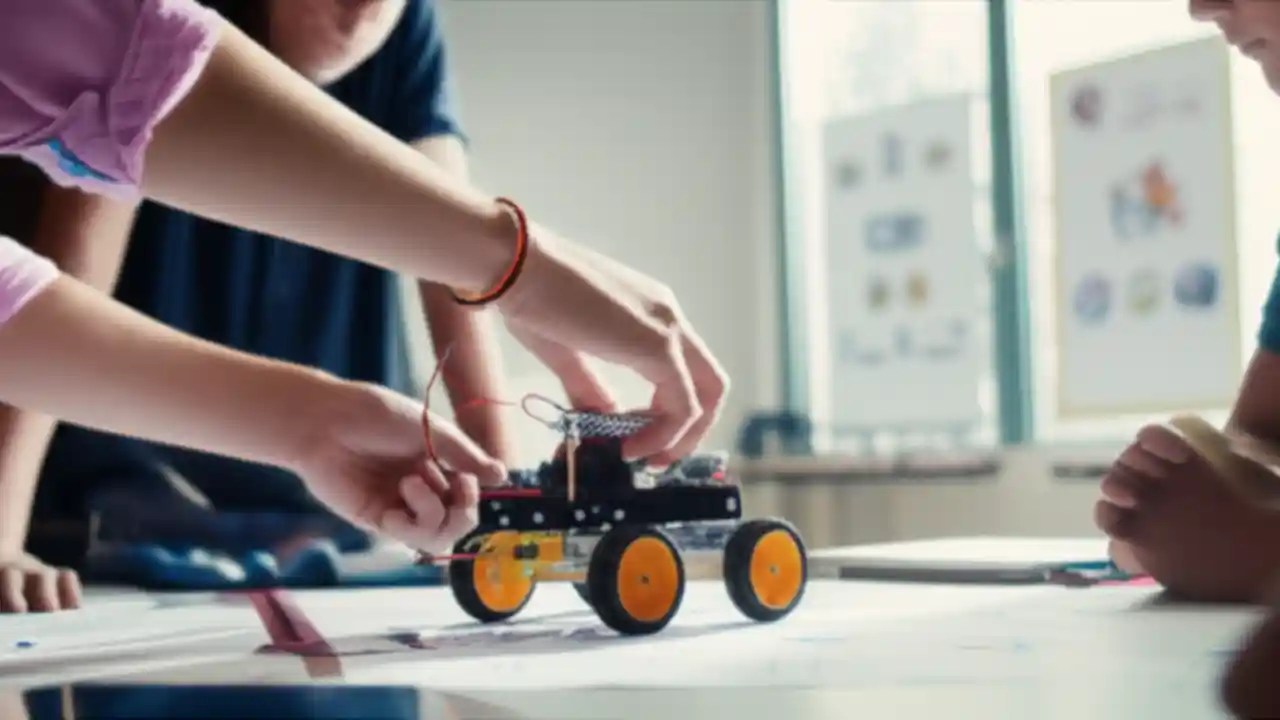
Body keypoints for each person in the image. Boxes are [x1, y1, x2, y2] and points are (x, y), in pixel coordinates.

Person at [0, 0, 727, 608]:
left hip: (318, 498)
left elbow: (16, 306)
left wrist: (496, 503)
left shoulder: (407, 36)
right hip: (127, 501)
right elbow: (119, 95)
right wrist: (518, 262)